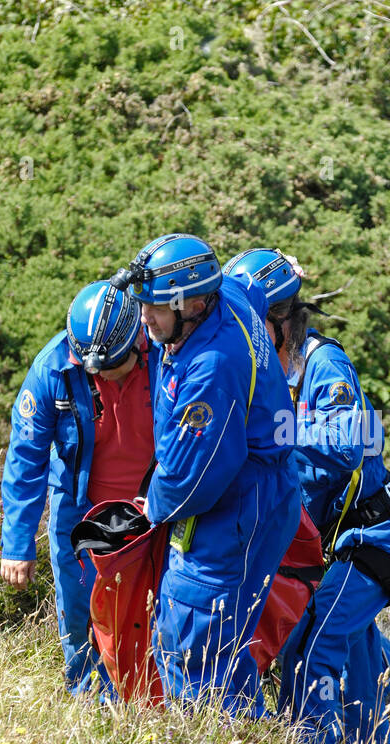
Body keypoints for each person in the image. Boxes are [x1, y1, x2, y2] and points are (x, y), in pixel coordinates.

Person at [224, 248, 390, 744]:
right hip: (328, 540)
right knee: (352, 653)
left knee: (311, 643)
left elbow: (345, 444)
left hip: (372, 534)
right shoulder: (258, 370)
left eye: (251, 322)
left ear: (283, 322)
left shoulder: (323, 364)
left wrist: (272, 432)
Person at [118, 233, 300, 716]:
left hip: (236, 505)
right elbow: (256, 283)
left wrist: (151, 505)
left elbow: (191, 481)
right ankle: (248, 740)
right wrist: (284, 267)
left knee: (195, 631)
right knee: (225, 633)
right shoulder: (232, 294)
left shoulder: (212, 367)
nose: (145, 319)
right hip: (263, 494)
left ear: (195, 302)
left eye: (156, 308)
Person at [0, 279, 154, 696]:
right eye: (89, 364)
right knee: (81, 613)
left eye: (109, 366)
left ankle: (148, 702)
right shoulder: (54, 366)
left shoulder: (166, 353)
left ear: (136, 341)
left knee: (152, 614)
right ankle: (87, 702)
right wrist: (17, 544)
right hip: (79, 511)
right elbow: (25, 459)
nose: (98, 372)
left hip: (156, 512)